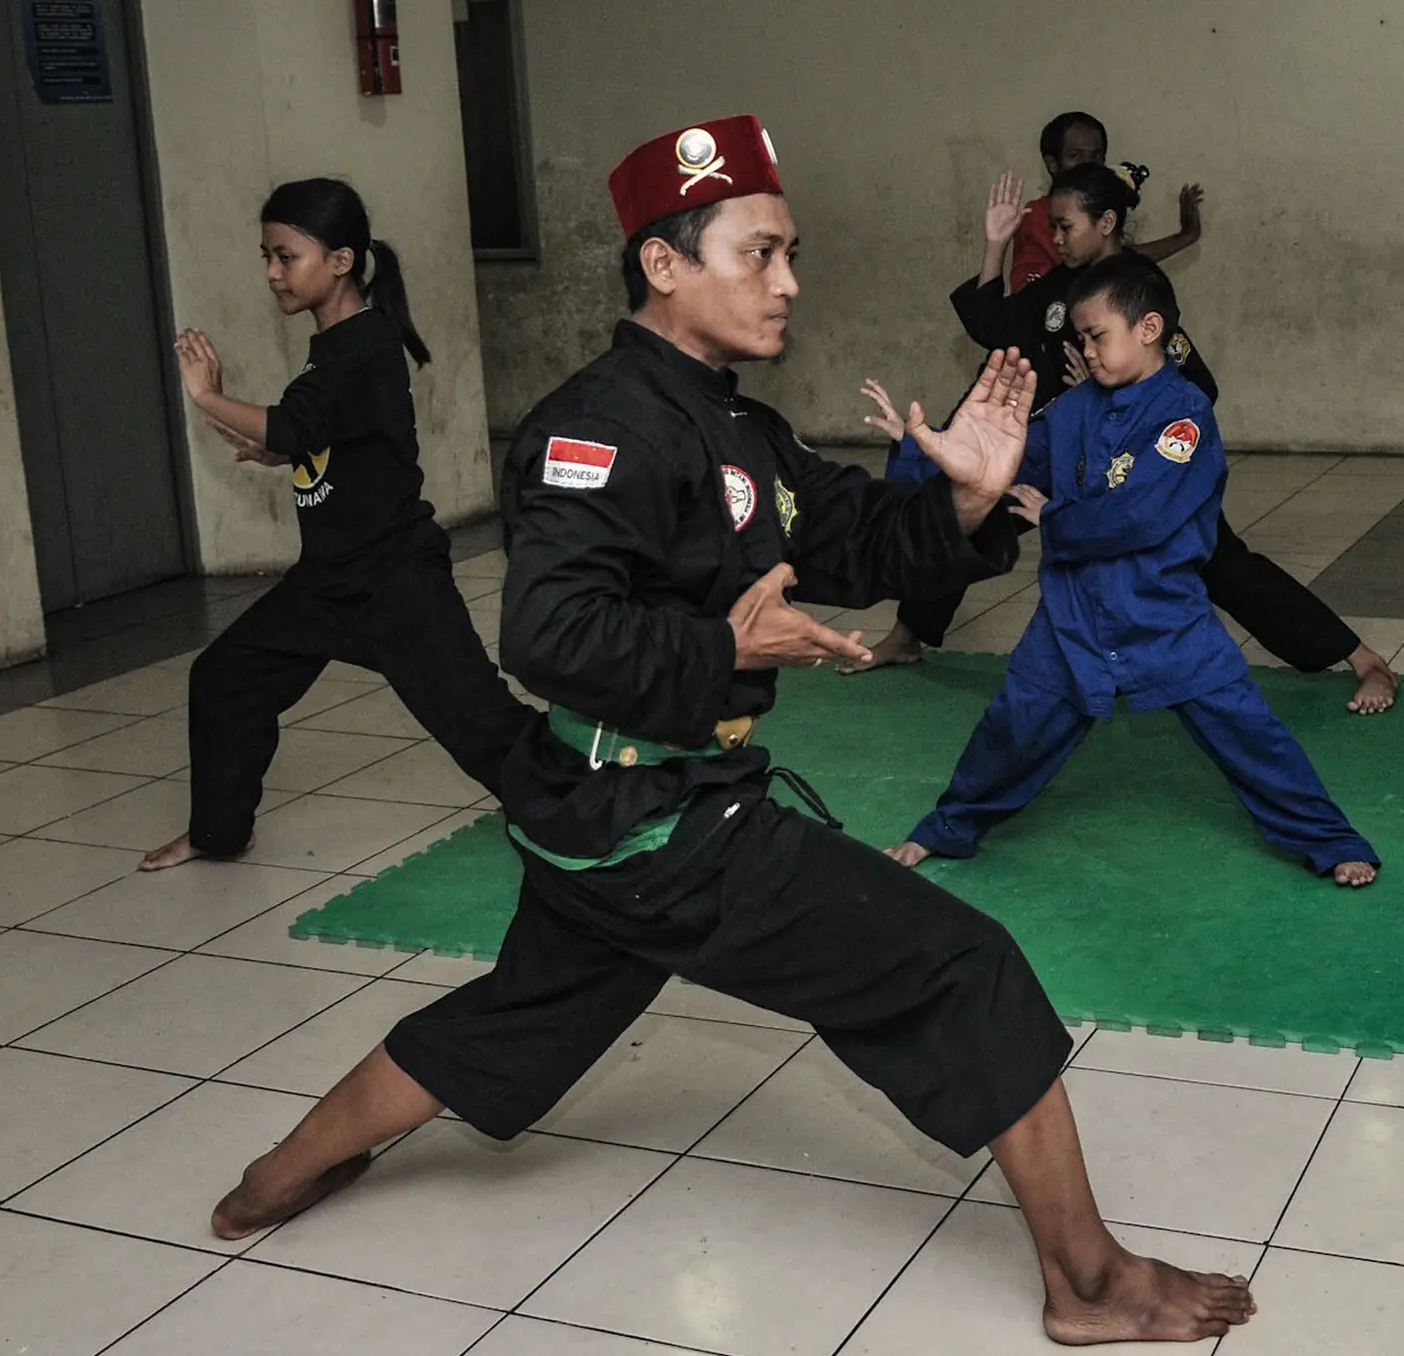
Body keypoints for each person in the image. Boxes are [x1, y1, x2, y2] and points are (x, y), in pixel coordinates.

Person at [206, 116, 1259, 1345]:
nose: (790, 281)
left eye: (790, 251)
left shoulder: (734, 427)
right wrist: (727, 649)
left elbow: (858, 538)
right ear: (665, 266)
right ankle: (1086, 1285)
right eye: (758, 253)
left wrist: (968, 495)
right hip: (657, 823)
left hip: (590, 820)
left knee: (521, 1015)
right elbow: (545, 633)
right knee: (961, 968)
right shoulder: (594, 428)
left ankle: (275, 1175)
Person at [885, 254, 1379, 886]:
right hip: (1072, 615)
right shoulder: (1071, 411)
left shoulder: (1185, 414)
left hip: (1164, 614)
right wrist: (928, 452)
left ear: (1148, 329)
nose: (1086, 351)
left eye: (1097, 337)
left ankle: (1330, 840)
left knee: (1249, 735)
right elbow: (1004, 467)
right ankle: (947, 829)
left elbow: (1142, 515)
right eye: (1080, 339)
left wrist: (1056, 520)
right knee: (1011, 728)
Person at [852, 164, 1402, 714]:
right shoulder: (1061, 288)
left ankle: (1362, 657)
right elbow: (995, 328)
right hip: (1058, 452)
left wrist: (1110, 392)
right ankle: (910, 633)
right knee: (971, 517)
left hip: (1143, 467)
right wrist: (995, 246)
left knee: (1224, 564)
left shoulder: (1137, 293)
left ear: (1107, 223)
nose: (1057, 239)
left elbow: (1195, 385)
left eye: (1066, 227)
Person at [139, 179, 536, 871]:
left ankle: (599, 801)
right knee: (225, 679)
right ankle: (218, 832)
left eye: (286, 257)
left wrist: (208, 395)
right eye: (267, 255)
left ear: (342, 261)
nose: (272, 272)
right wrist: (276, 451)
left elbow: (299, 420)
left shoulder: (364, 345)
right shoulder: (336, 345)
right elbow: (320, 433)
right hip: (327, 582)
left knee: (481, 725)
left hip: (394, 580)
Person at [1007, 111, 1203, 291]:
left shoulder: (1103, 207)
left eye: (1097, 156)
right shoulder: (1036, 216)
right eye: (1075, 155)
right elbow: (1104, 262)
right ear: (1052, 164)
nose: (1088, 164)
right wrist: (1183, 238)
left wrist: (1184, 237)